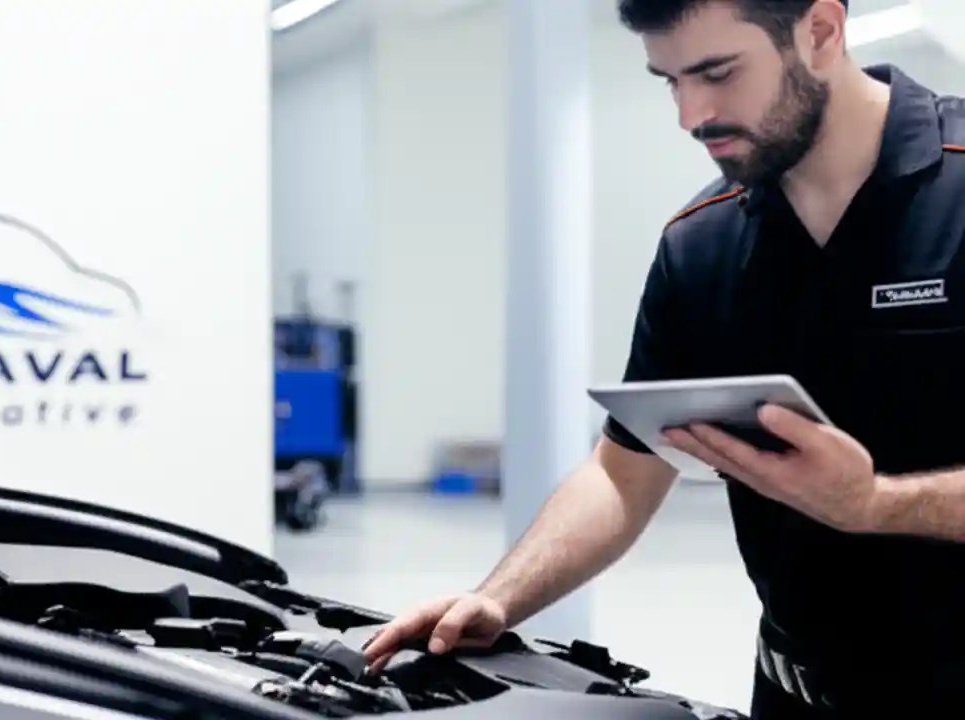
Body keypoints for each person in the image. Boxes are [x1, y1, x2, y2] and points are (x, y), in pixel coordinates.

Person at [361, 0, 965, 716]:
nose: (690, 114)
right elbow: (622, 474)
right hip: (794, 695)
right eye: (669, 80)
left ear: (822, 32)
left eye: (717, 72)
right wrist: (495, 599)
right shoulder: (699, 243)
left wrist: (874, 505)